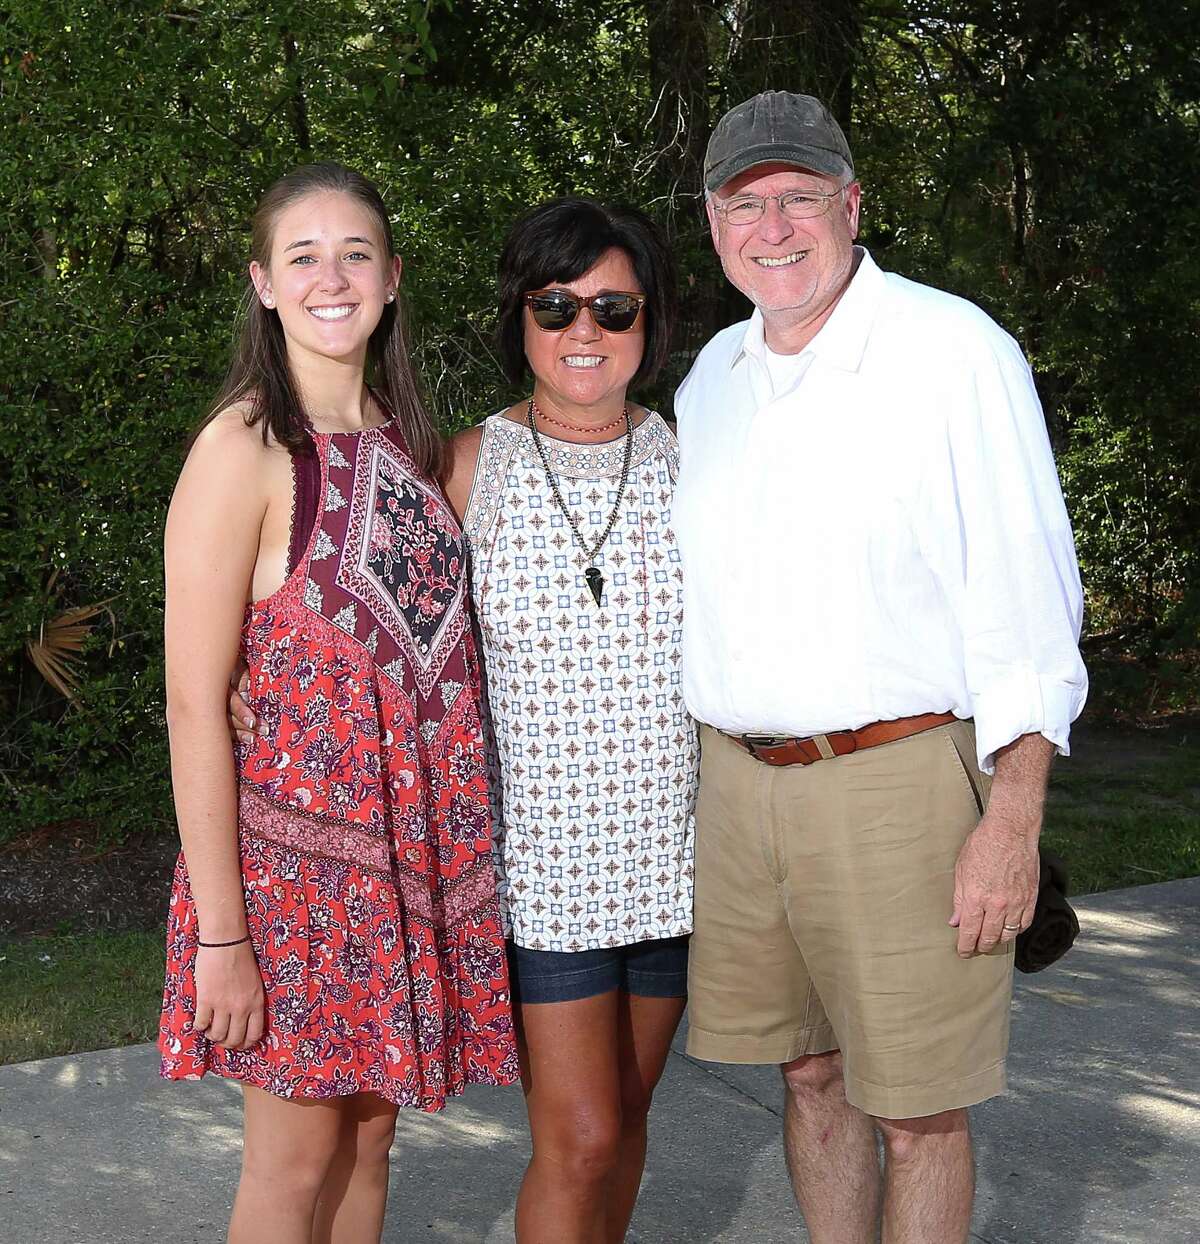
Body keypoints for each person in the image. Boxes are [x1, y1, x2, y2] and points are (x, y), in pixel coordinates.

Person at [672, 93, 1088, 1244]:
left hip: (897, 778)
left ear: (851, 205)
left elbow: (1029, 602)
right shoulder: (711, 378)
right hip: (740, 788)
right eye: (744, 203)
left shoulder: (954, 352)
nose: (773, 226)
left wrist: (1011, 818)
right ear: (713, 222)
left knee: (917, 1110)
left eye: (799, 196)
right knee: (806, 1077)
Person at [158, 161, 518, 1244]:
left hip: (401, 866)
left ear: (392, 277)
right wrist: (223, 934)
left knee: (369, 1138)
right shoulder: (246, 447)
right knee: (294, 1158)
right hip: (291, 883)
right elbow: (189, 701)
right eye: (302, 256)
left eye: (355, 252)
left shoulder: (411, 443)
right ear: (263, 283)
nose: (331, 276)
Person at [441, 198, 697, 1244]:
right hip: (544, 867)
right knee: (581, 1135)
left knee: (629, 1118)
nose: (583, 329)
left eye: (611, 305)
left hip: (674, 856)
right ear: (519, 317)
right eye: (556, 305)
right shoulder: (466, 467)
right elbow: (379, 621)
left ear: (649, 321)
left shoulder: (695, 459)